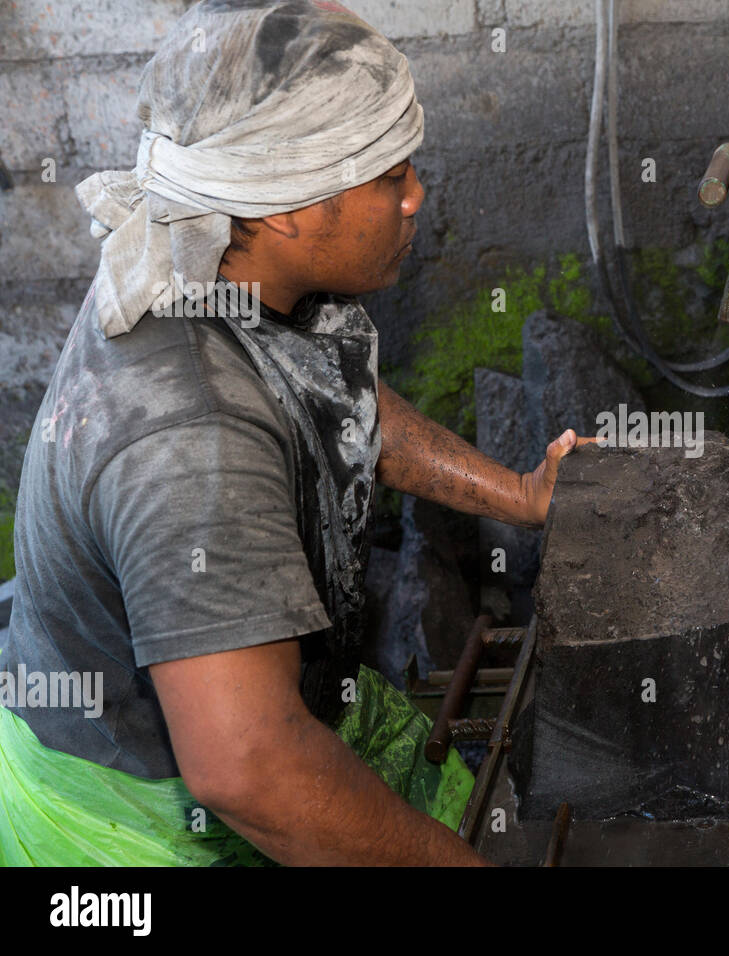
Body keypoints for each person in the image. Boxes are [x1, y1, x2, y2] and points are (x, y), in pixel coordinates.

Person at [0, 0, 582, 866]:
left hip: (260, 717)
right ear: (283, 208)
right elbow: (251, 772)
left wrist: (520, 494)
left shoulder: (212, 258)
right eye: (392, 177)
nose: (419, 195)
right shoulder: (193, 445)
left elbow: (333, 399)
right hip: (150, 819)